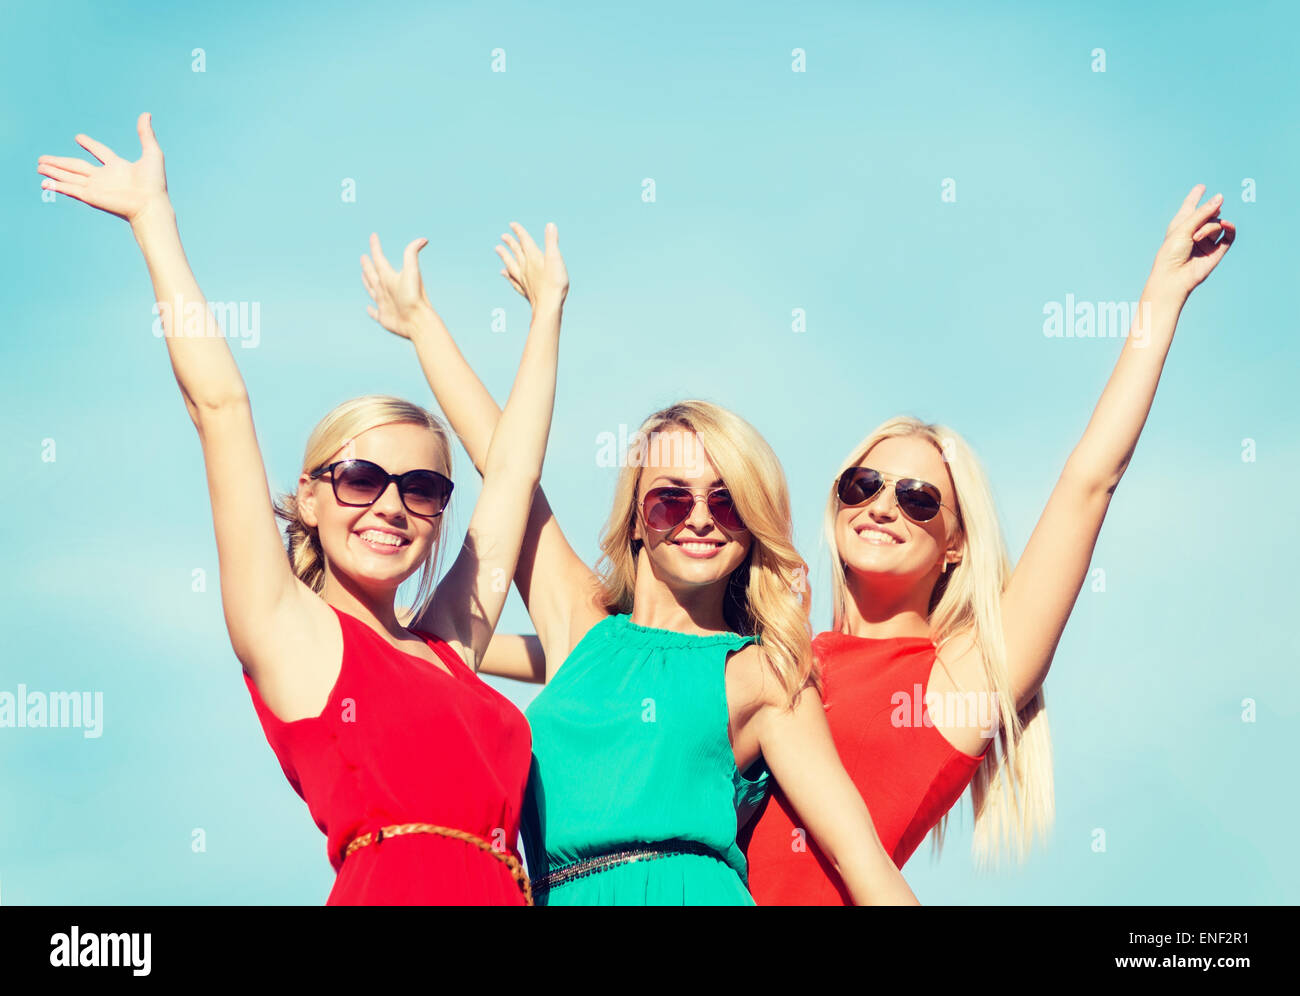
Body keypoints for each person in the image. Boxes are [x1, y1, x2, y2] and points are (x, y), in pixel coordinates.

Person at [37, 113, 567, 905]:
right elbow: (220, 405)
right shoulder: (288, 627)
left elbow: (515, 475)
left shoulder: (452, 647)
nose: (391, 504)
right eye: (361, 478)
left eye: (421, 489)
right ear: (310, 498)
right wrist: (154, 221)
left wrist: (549, 310)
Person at [363, 232, 919, 905]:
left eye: (727, 501)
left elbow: (862, 861)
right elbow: (502, 464)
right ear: (635, 517)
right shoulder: (580, 626)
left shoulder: (765, 674)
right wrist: (431, 323)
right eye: (671, 498)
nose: (700, 519)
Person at [740, 184, 1236, 903]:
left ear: (953, 547)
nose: (883, 506)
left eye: (917, 499)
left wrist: (1158, 304)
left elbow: (1090, 482)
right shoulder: (775, 658)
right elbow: (594, 641)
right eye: (864, 485)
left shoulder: (960, 678)